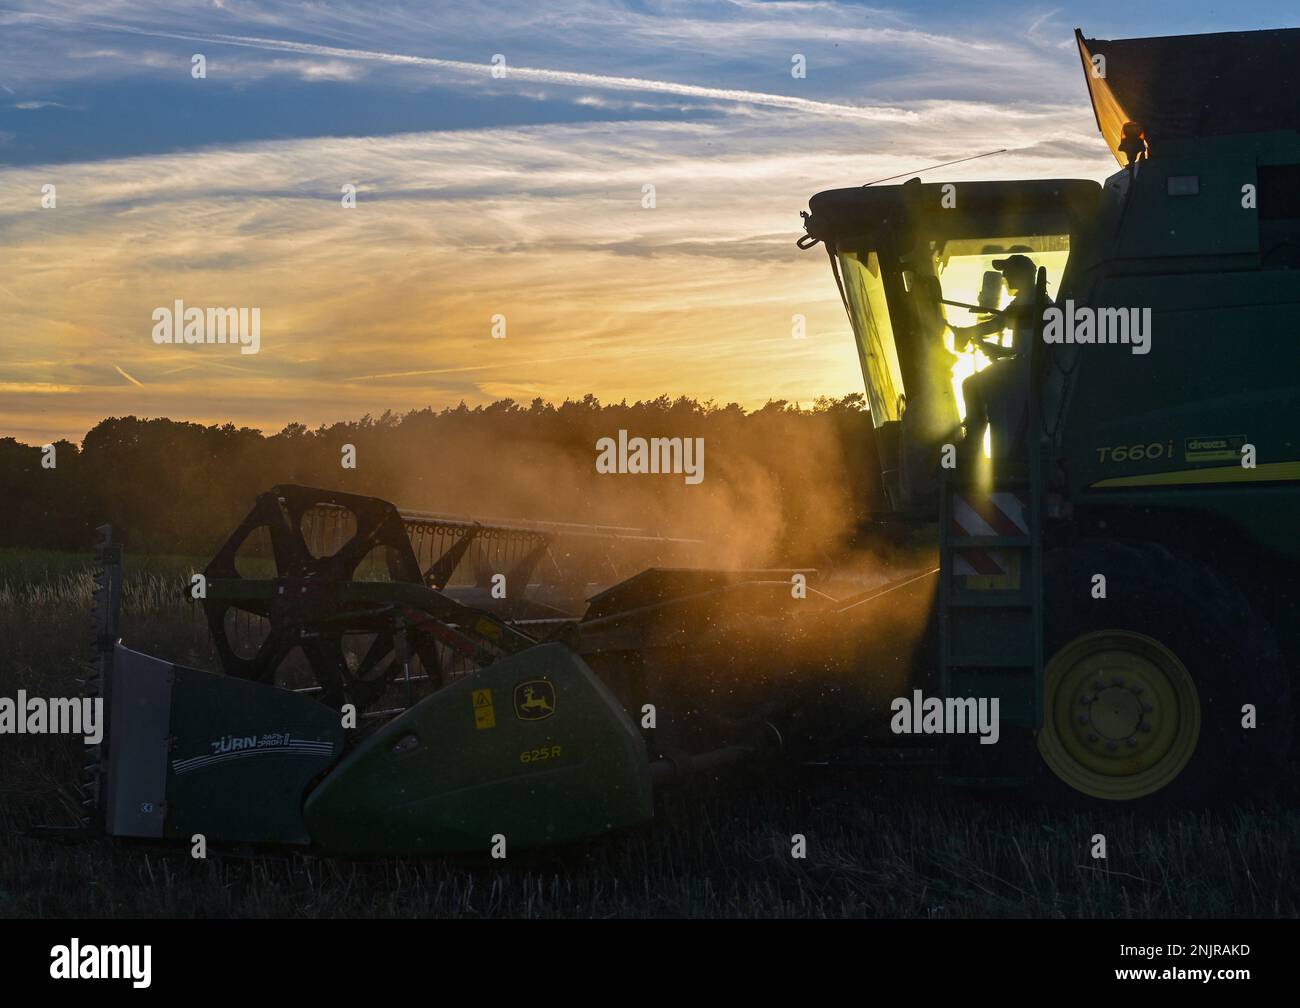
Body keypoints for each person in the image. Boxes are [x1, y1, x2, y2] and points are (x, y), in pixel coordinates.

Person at [947, 254, 1050, 458]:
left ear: (1021, 275)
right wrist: (995, 349)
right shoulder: (1032, 300)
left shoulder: (1032, 303)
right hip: (1026, 367)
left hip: (1026, 372)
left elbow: (997, 324)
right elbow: (1024, 348)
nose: (1004, 276)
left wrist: (966, 333)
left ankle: (972, 441)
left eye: (1008, 271)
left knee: (971, 386)